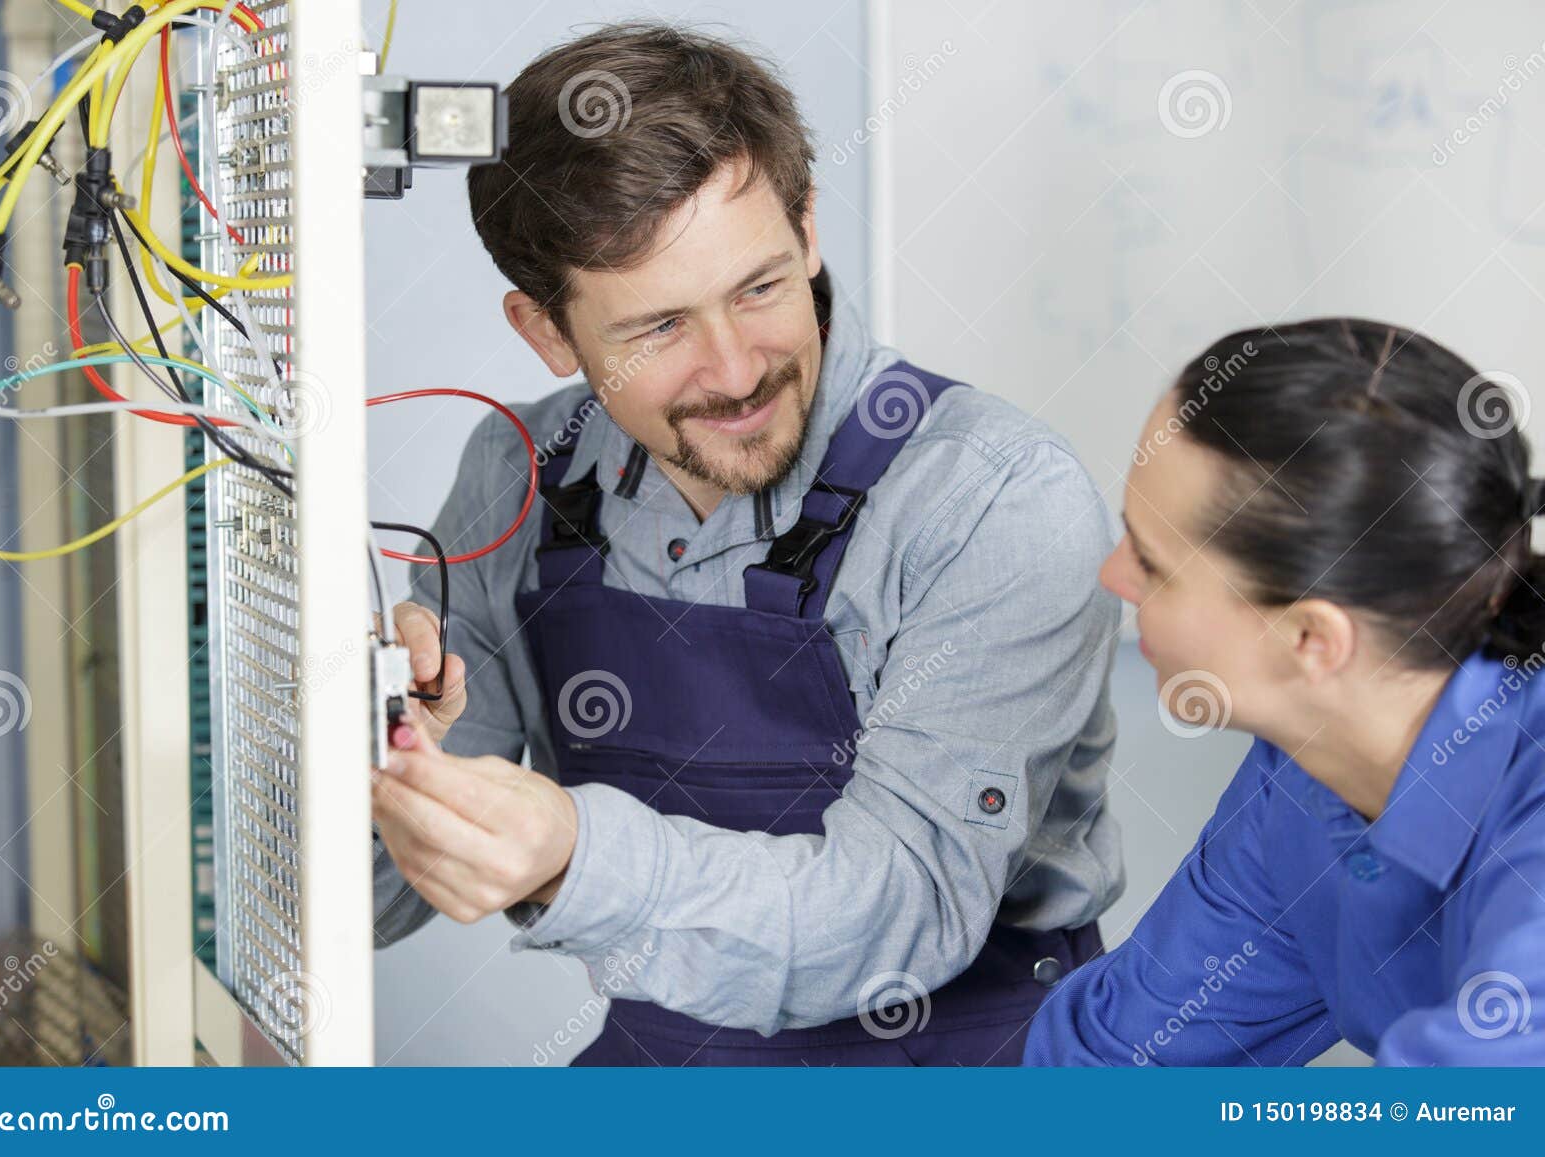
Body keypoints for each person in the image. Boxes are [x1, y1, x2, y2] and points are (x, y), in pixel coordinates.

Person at [369, 22, 1124, 1065]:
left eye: (759, 287)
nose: (735, 372)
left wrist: (576, 853)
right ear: (544, 330)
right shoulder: (519, 475)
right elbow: (375, 896)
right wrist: (379, 744)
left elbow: (904, 916)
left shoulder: (993, 497)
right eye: (658, 327)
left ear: (807, 228)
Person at [1025, 318, 1545, 1066]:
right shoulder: (1304, 778)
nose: (1113, 576)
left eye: (1153, 562)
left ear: (1311, 638)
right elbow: (1116, 1064)